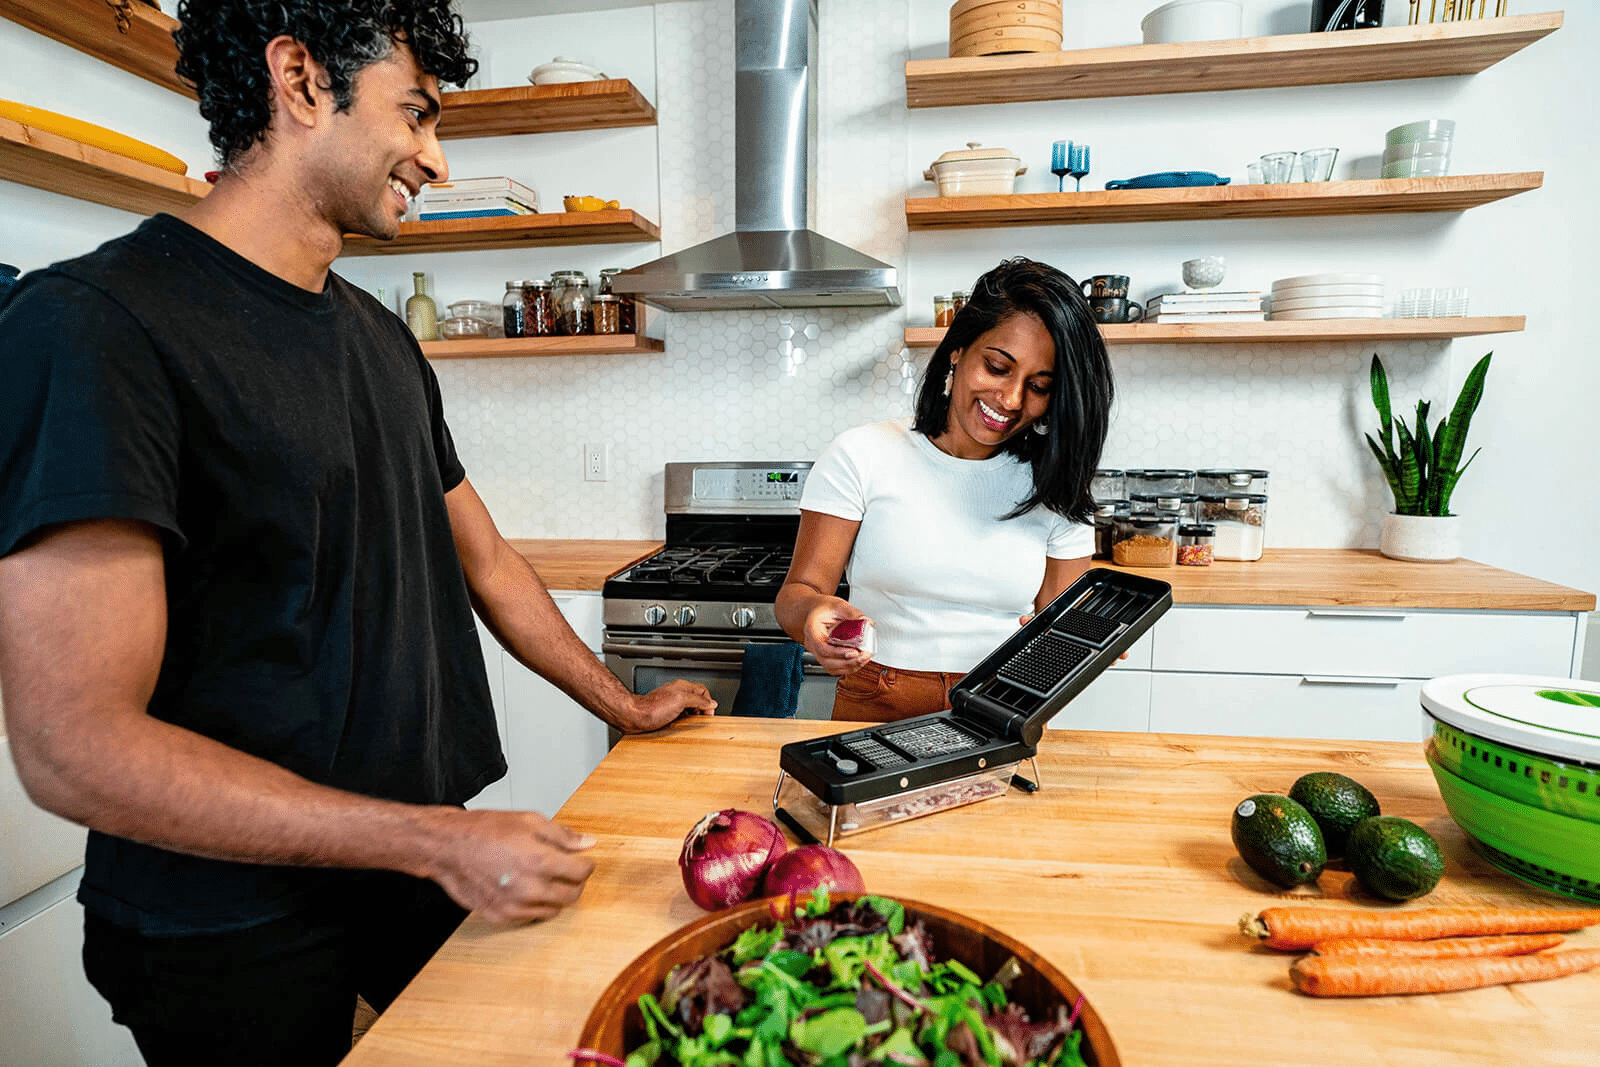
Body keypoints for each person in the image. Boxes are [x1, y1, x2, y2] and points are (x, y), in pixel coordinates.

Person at [0, 2, 715, 1064]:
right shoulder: (95, 323)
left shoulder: (378, 334)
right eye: (416, 114)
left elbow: (485, 557)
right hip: (227, 920)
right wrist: (433, 837)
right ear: (299, 81)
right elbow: (73, 745)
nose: (433, 156)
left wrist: (624, 703)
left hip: (402, 862)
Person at [775, 258, 1114, 722]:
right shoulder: (862, 454)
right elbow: (797, 593)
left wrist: (1082, 643)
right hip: (877, 695)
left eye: (1037, 386)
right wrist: (813, 614)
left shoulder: (1056, 487)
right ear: (957, 349)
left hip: (1005, 703)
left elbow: (1058, 631)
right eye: (997, 367)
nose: (1011, 401)